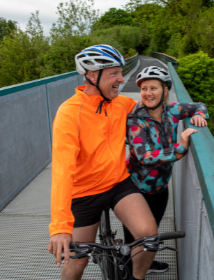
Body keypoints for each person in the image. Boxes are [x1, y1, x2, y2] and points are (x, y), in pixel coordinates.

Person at [48, 44, 159, 280]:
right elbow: (62, 172)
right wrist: (60, 227)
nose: (121, 79)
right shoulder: (69, 113)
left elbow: (152, 107)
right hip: (84, 192)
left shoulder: (121, 104)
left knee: (149, 236)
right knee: (76, 263)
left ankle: (136, 278)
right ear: (92, 75)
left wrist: (192, 112)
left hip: (119, 183)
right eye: (113, 74)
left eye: (120, 72)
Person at [120, 65, 209, 274]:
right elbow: (145, 156)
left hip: (160, 186)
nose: (147, 93)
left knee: (152, 231)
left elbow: (199, 105)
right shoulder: (135, 120)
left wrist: (199, 115)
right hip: (136, 188)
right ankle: (127, 268)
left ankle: (146, 262)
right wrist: (180, 148)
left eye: (153, 88)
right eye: (144, 89)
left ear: (165, 90)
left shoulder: (172, 111)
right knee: (135, 237)